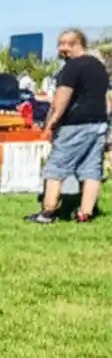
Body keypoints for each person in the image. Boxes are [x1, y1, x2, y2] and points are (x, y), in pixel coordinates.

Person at [26, 29, 109, 223]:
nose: (61, 49)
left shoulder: (72, 67)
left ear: (77, 44)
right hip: (98, 122)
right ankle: (85, 214)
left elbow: (61, 99)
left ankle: (47, 213)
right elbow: (106, 99)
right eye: (60, 44)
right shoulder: (99, 67)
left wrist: (51, 124)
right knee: (91, 169)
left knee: (56, 167)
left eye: (65, 44)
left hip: (75, 124)